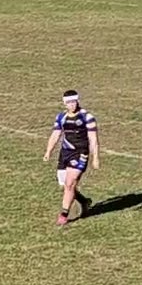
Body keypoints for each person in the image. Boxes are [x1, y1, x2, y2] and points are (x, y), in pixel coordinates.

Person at [42, 90, 99, 226]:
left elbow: (94, 139)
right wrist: (48, 151)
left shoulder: (87, 117)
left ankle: (63, 215)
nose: (72, 105)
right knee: (65, 186)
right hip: (65, 154)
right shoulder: (61, 117)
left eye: (74, 101)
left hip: (80, 154)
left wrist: (95, 157)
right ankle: (84, 201)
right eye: (69, 102)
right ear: (64, 103)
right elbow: (55, 135)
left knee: (70, 183)